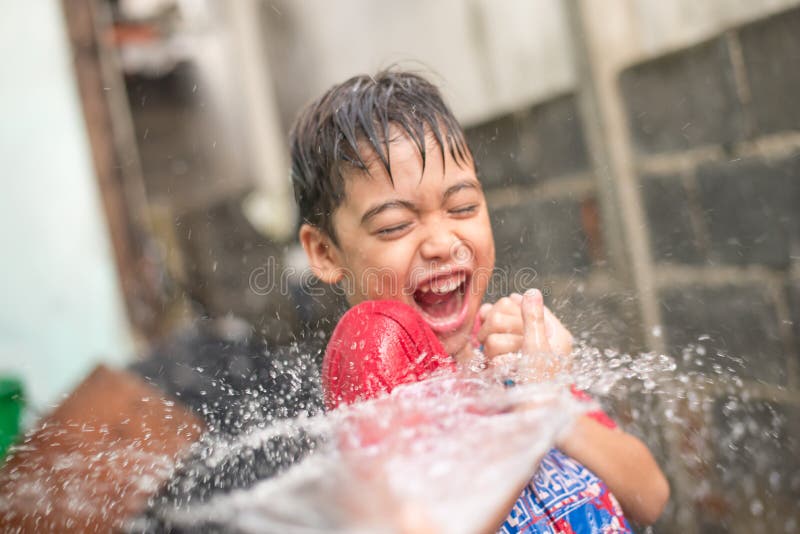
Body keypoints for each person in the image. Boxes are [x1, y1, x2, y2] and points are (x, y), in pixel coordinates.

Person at [291, 69, 669, 532]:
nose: (442, 242)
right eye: (394, 225)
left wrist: (552, 406)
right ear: (325, 252)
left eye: (463, 206)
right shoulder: (376, 347)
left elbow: (651, 496)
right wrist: (531, 426)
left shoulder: (508, 351)